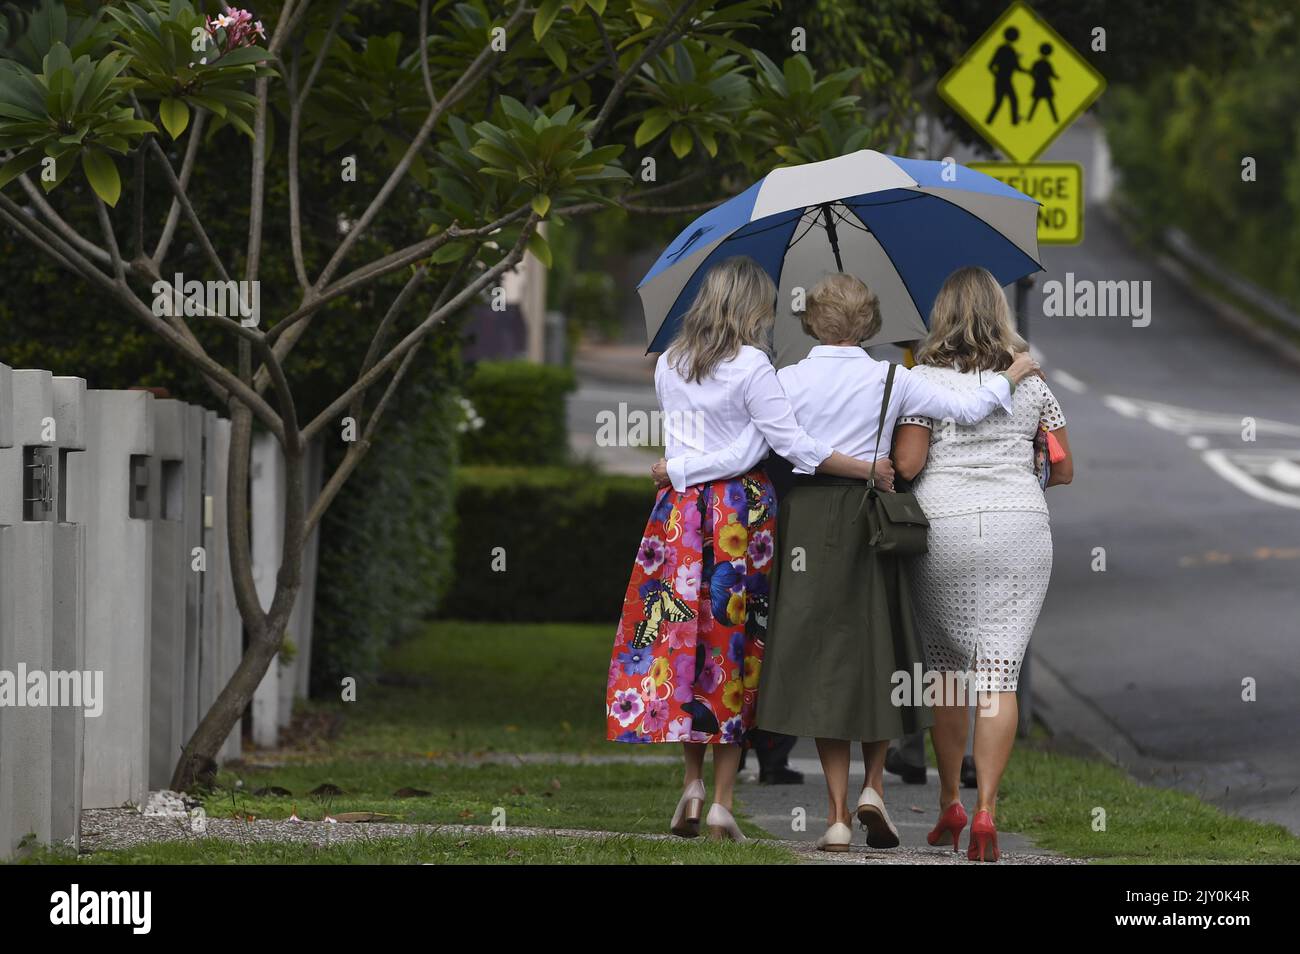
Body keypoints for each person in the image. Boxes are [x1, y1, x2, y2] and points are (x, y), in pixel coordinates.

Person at [662, 273, 1040, 852]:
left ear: (810, 321)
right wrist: (1010, 376)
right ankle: (875, 789)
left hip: (808, 521)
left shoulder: (783, 377)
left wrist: (682, 468)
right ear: (872, 325)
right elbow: (965, 408)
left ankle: (836, 812)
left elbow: (759, 443)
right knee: (879, 647)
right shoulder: (894, 376)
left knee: (824, 655)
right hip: (875, 519)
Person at [607, 256, 881, 843]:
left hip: (677, 515)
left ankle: (690, 784)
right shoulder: (755, 367)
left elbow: (686, 444)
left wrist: (678, 468)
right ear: (753, 306)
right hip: (738, 515)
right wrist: (864, 467)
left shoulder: (672, 362)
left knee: (684, 640)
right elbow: (780, 447)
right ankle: (724, 802)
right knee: (733, 649)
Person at [893, 265, 1073, 862]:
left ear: (941, 314)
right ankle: (988, 809)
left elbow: (911, 465)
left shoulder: (921, 381)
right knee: (998, 671)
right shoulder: (1032, 382)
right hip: (1018, 528)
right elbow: (1064, 467)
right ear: (1000, 311)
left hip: (941, 528)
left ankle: (950, 802)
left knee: (946, 670)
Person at [985, 26, 1025, 126]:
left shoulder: (1008, 50)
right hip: (1003, 80)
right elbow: (990, 65)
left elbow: (1017, 67)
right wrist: (997, 75)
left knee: (1006, 101)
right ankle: (991, 121)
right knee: (1005, 101)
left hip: (1003, 80)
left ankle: (991, 121)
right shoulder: (1007, 51)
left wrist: (1029, 72)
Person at [1027, 42, 1059, 123]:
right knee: (1040, 102)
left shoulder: (1041, 63)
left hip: (1042, 84)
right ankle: (1030, 118)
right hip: (1043, 84)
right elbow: (1032, 73)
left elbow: (1050, 73)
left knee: (1047, 102)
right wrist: (1036, 79)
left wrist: (1055, 77)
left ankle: (1055, 119)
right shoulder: (1042, 63)